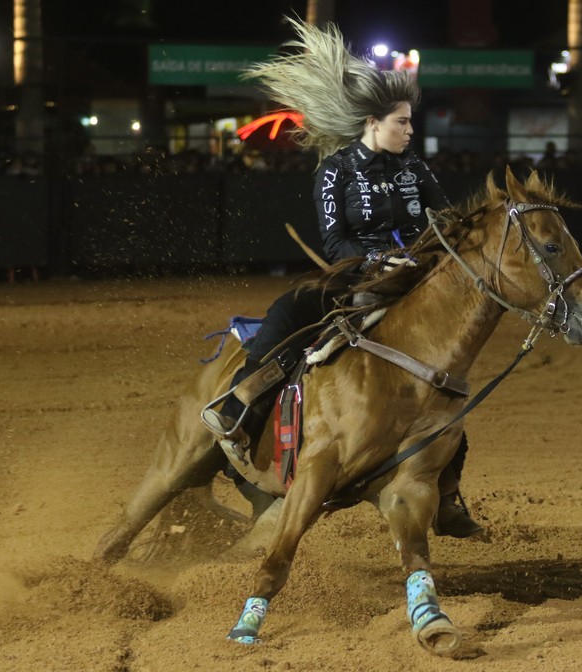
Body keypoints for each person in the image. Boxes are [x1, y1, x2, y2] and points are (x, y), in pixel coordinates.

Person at [201, 17, 482, 538]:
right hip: (353, 276)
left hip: (415, 281)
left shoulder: (416, 169)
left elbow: (446, 224)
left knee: (447, 378)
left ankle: (447, 494)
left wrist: (430, 256)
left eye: (410, 123)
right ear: (372, 123)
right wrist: (377, 264)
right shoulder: (335, 171)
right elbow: (334, 243)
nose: (410, 131)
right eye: (402, 122)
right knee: (290, 310)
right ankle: (241, 403)